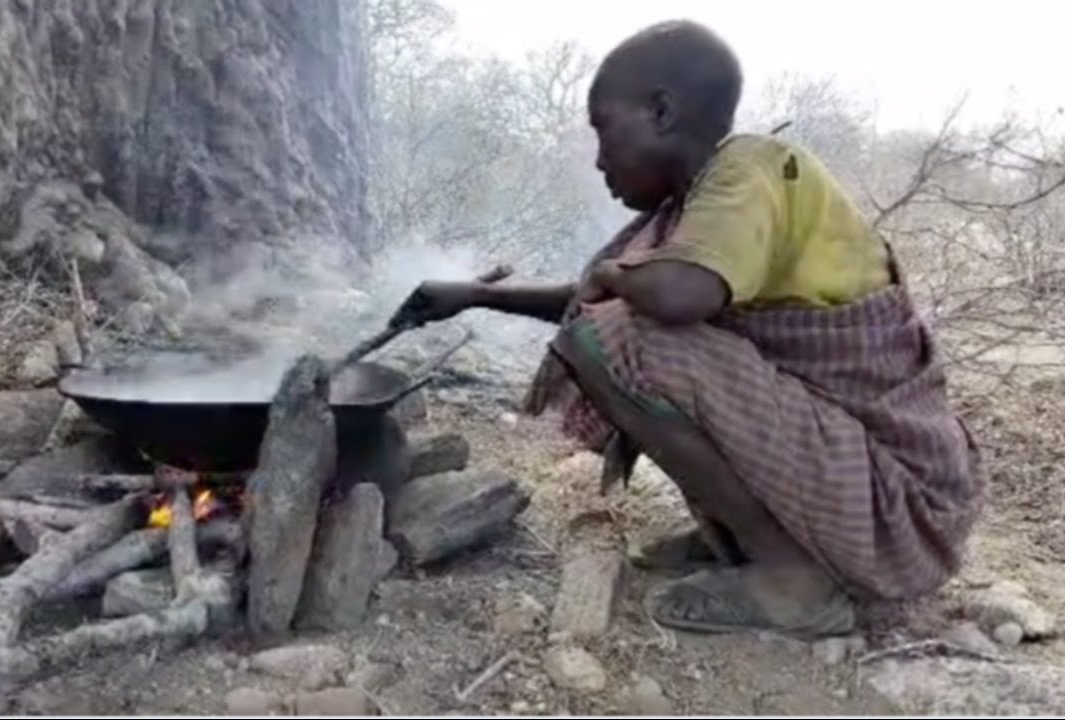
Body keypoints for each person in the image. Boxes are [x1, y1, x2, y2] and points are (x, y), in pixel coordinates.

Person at [388, 19, 983, 638]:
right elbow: (608, 294)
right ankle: (751, 538)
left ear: (663, 112)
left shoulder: (752, 168)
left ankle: (792, 577)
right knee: (611, 325)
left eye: (604, 130)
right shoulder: (704, 207)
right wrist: (477, 296)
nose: (599, 158)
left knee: (619, 339)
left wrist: (617, 276)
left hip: (899, 505)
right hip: (862, 484)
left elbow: (670, 297)